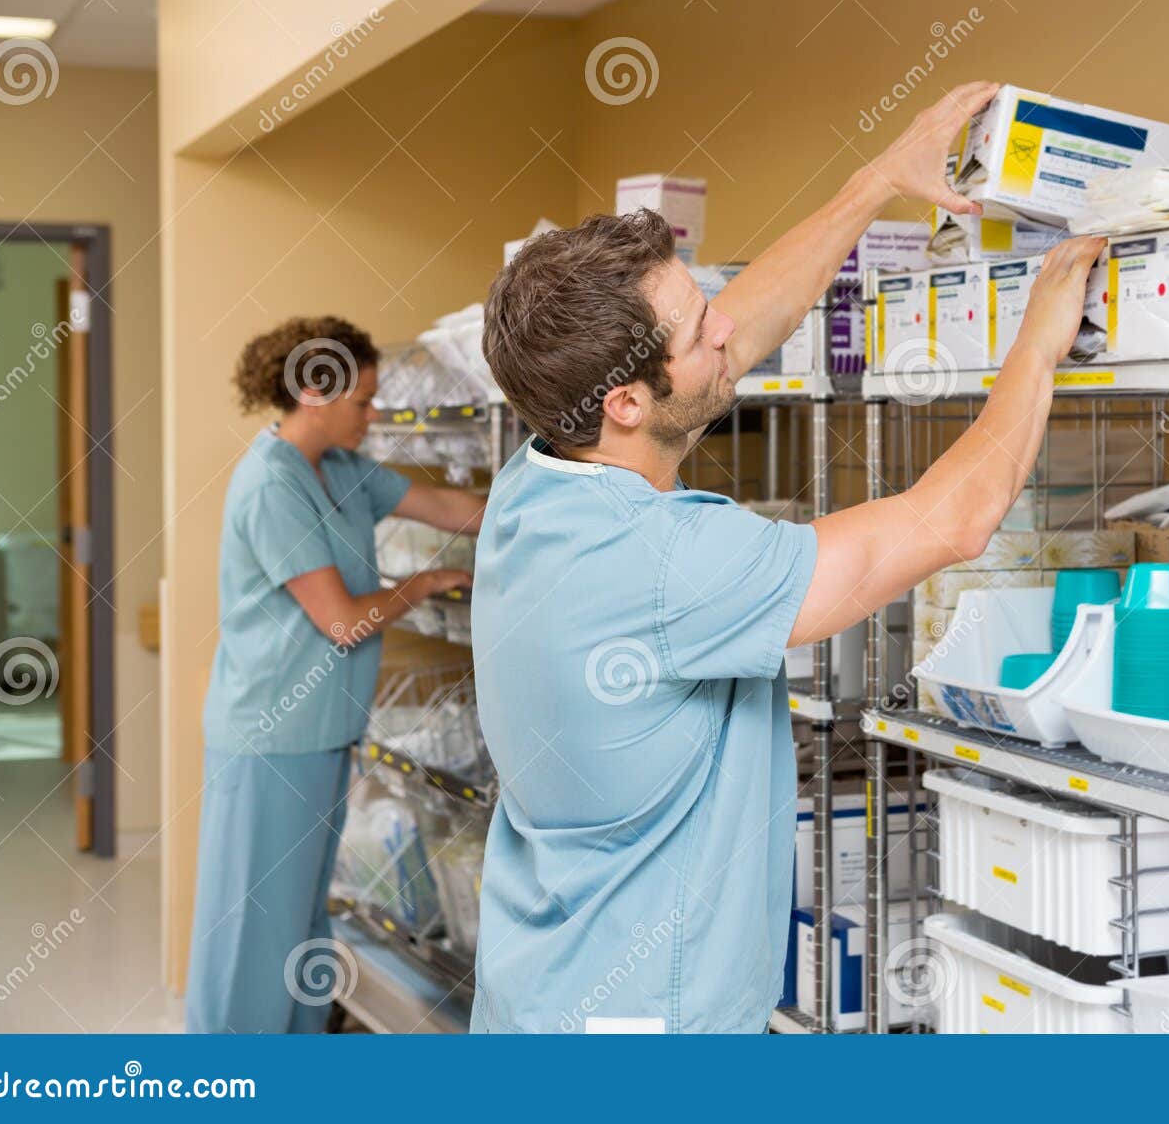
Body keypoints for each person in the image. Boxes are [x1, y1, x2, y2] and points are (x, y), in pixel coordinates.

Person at [471, 82, 1106, 1033]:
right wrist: (1038, 345)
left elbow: (741, 325)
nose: (723, 327)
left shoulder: (539, 481)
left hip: (538, 1000)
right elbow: (953, 520)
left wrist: (881, 179)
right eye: (697, 329)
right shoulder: (666, 559)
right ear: (627, 403)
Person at [186, 316, 486, 1033]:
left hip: (322, 732)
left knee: (298, 921)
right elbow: (343, 620)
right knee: (251, 926)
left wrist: (548, 503)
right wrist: (422, 584)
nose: (374, 415)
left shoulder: (343, 470)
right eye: (364, 401)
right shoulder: (271, 484)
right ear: (317, 394)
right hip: (270, 739)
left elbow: (447, 506)